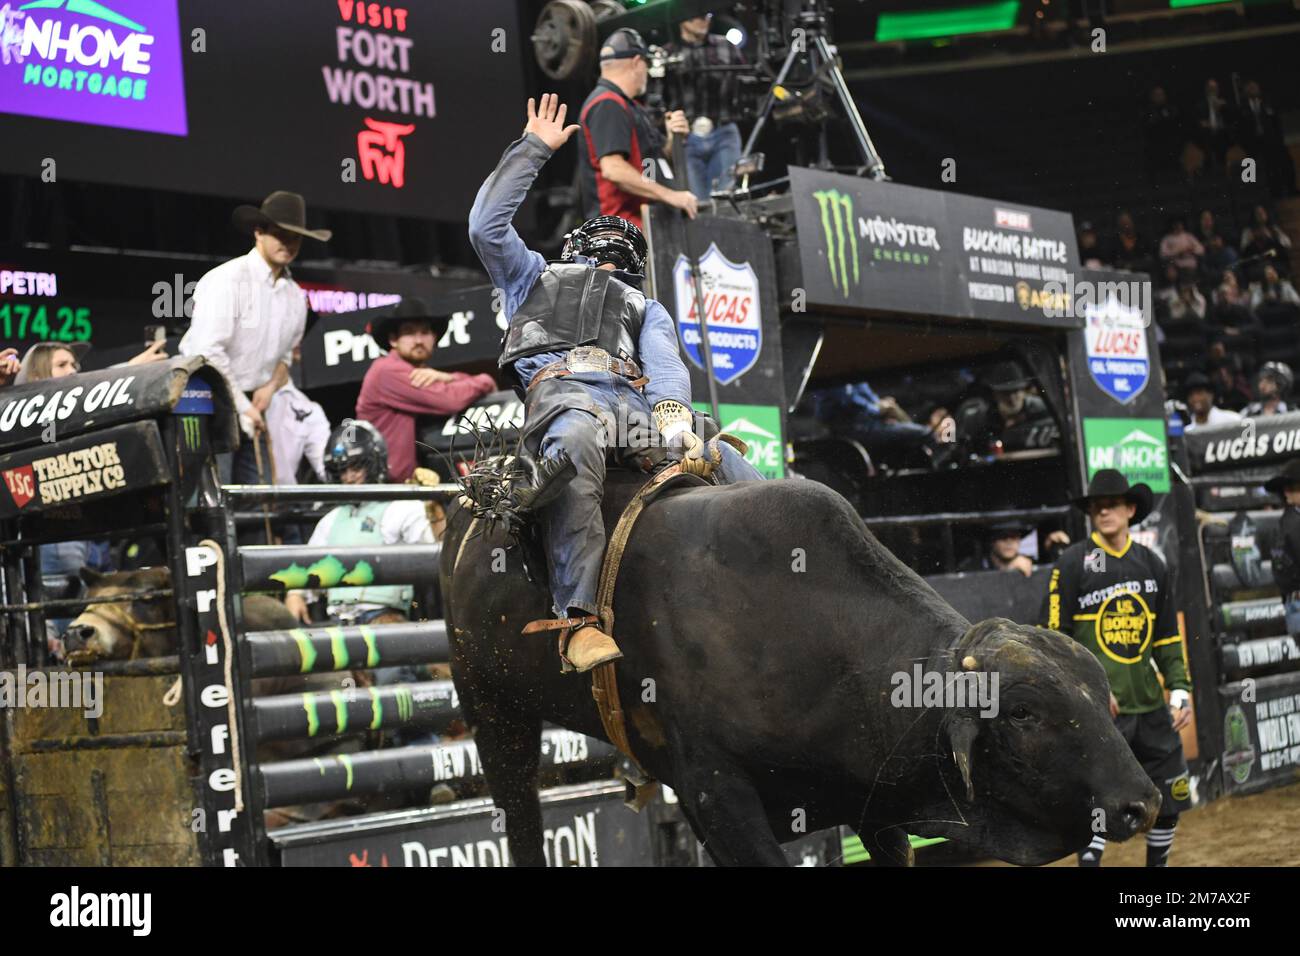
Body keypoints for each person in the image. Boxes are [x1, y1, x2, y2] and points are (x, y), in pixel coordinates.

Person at [467, 93, 763, 673]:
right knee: (574, 449)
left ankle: (780, 564)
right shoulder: (532, 276)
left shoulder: (643, 305)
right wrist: (532, 150)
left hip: (630, 403)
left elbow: (665, 361)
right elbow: (485, 225)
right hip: (566, 397)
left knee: (721, 458)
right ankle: (578, 620)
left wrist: (675, 415)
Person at [1041, 470, 1192, 867]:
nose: (1103, 510)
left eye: (1111, 504)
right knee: (1095, 805)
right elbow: (1054, 642)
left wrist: (1179, 688)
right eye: (1096, 505)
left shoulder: (1152, 564)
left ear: (1130, 509)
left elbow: (1166, 638)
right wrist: (1086, 690)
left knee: (1169, 798)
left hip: (1150, 707)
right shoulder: (1072, 564)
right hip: (1100, 714)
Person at [178, 191, 330, 484]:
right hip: (204, 398)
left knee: (258, 502)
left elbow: (286, 355)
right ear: (259, 232)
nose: (288, 243)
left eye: (295, 237)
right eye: (280, 234)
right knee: (213, 499)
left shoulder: (296, 297)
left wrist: (270, 387)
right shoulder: (227, 279)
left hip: (257, 403)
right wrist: (244, 406)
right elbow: (207, 352)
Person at [283, 420, 433, 628]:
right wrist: (296, 594)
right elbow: (309, 565)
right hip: (338, 622)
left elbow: (435, 551)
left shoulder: (402, 507)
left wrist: (434, 509)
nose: (349, 478)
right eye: (342, 471)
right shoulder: (331, 520)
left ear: (374, 463)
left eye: (355, 467)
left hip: (384, 616)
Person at [355, 298, 497, 483]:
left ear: (434, 338)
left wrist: (450, 377)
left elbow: (449, 389)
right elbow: (449, 399)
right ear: (393, 340)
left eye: (425, 332)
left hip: (410, 488)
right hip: (387, 491)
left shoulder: (421, 373)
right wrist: (485, 380)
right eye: (409, 333)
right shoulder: (387, 370)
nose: (419, 340)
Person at [577, 28, 698, 228]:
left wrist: (673, 139)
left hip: (647, 226)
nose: (648, 72)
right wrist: (671, 196)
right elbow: (613, 169)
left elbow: (649, 165)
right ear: (636, 63)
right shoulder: (607, 103)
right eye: (646, 64)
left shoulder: (631, 107)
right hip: (621, 234)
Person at [662, 12, 746, 200]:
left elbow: (745, 86)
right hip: (686, 138)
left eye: (707, 15)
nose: (704, 20)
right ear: (683, 18)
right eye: (697, 15)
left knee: (727, 200)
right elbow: (658, 99)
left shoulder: (727, 46)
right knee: (696, 204)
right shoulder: (667, 54)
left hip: (723, 130)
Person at [807, 380, 936, 470]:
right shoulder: (836, 376)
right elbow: (849, 402)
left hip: (869, 421)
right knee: (924, 433)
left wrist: (881, 405)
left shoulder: (854, 371)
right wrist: (877, 409)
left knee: (918, 429)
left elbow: (868, 396)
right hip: (855, 428)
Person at [953, 360, 1060, 459]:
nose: (1012, 398)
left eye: (1016, 391)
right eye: (1006, 393)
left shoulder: (1045, 410)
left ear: (1023, 391)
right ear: (995, 394)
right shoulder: (980, 419)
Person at [1265, 460, 1300, 638]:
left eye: (1293, 487)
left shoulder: (1286, 523)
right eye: (1287, 488)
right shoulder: (1291, 523)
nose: (1287, 492)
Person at [959, 521, 1069, 576]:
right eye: (1002, 536)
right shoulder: (970, 568)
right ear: (991, 540)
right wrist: (1006, 569)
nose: (1009, 541)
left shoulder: (1029, 563)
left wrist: (1052, 549)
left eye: (1014, 536)